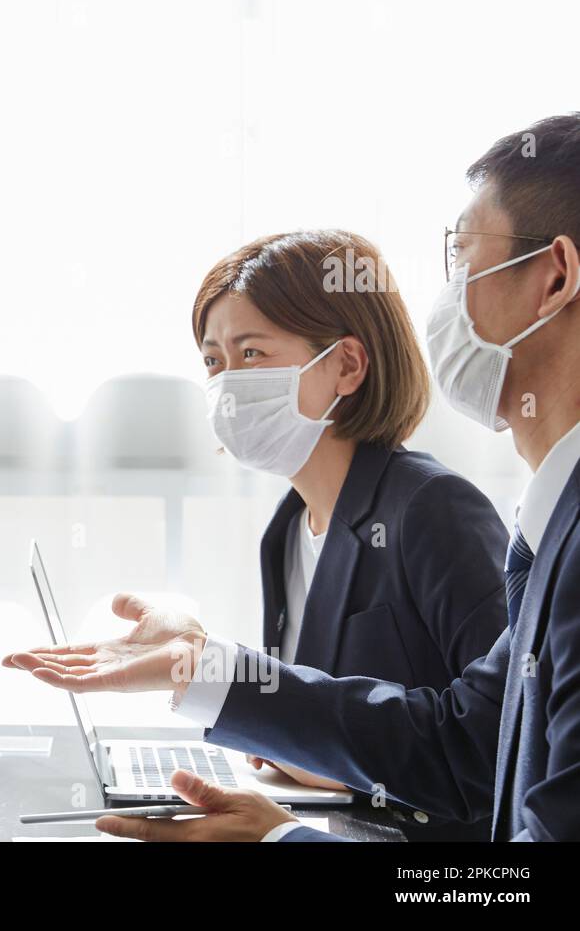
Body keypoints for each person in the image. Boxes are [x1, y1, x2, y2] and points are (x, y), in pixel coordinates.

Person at [3, 112, 580, 843]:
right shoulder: (547, 519)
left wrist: (282, 839)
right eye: (214, 360)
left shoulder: (454, 511)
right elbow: (468, 741)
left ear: (555, 275)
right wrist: (203, 669)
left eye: (462, 258)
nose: (448, 297)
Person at [192, 229, 507, 840]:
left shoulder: (433, 509)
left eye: (252, 353)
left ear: (346, 364)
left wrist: (330, 762)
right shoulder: (286, 528)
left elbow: (504, 748)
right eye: (213, 360)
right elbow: (318, 717)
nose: (227, 382)